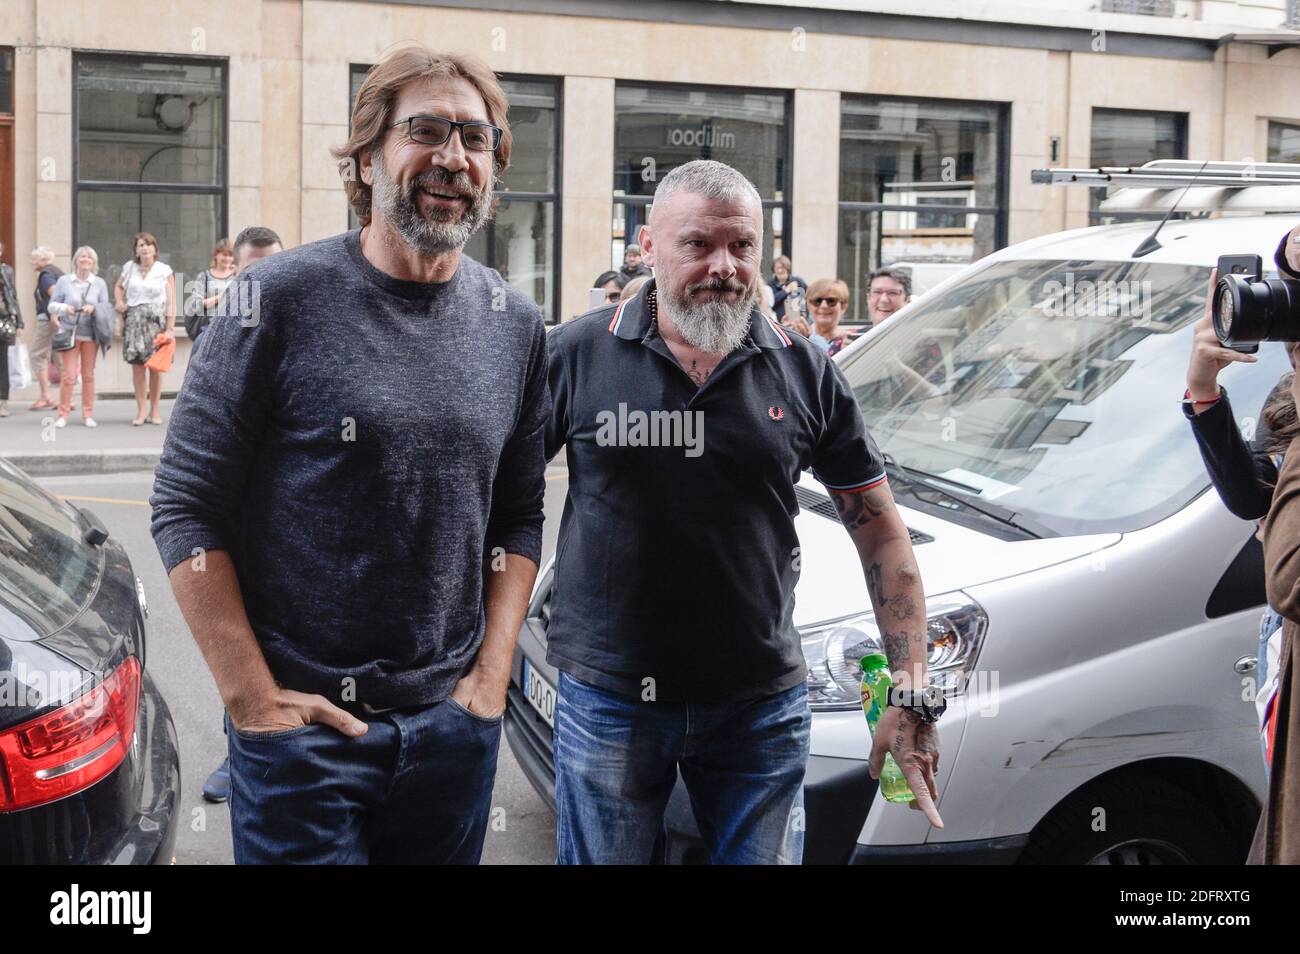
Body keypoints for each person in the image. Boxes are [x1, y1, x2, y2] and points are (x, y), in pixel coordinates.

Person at [151, 45, 548, 865]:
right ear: (368, 158)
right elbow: (186, 506)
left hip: (452, 734)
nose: (452, 157)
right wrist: (250, 700)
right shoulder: (275, 301)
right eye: (426, 131)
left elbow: (519, 514)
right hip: (302, 742)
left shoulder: (513, 322)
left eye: (476, 138)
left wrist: (491, 679)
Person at [545, 159, 942, 865]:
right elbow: (498, 506)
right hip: (610, 701)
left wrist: (909, 689)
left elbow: (880, 530)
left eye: (742, 247)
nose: (725, 266)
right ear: (646, 246)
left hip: (758, 706)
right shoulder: (577, 352)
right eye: (698, 244)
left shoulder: (803, 365)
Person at [197, 226, 287, 806]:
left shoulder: (299, 323)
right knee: (239, 647)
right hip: (237, 525)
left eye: (268, 271)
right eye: (248, 272)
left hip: (285, 530)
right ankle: (241, 754)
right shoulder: (217, 330)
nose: (257, 283)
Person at [46, 246, 112, 428]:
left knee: (88, 375)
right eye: (82, 256)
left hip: (91, 334)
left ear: (94, 262)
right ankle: (63, 414)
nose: (86, 259)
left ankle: (88, 414)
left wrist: (95, 308)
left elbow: (106, 307)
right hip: (70, 333)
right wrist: (64, 308)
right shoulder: (64, 281)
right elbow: (52, 306)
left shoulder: (99, 283)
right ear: (75, 260)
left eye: (90, 257)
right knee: (68, 375)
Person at [114, 232, 176, 427]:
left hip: (156, 323)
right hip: (134, 322)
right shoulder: (129, 267)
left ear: (155, 249)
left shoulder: (164, 269)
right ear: (136, 250)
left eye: (148, 245)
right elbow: (118, 287)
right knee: (138, 368)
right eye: (141, 245)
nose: (144, 248)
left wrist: (170, 328)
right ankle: (141, 410)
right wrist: (119, 301)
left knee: (156, 368)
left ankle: (155, 410)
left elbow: (173, 300)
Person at [28, 246, 63, 411]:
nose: (32, 262)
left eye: (34, 258)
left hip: (48, 320)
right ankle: (66, 398)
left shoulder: (46, 275)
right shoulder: (57, 271)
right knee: (60, 356)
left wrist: (53, 314)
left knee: (36, 354)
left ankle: (46, 395)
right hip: (60, 319)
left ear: (44, 260)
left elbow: (55, 293)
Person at [184, 239, 238, 341]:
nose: (227, 258)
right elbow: (195, 304)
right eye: (224, 255)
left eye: (230, 255)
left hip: (232, 328)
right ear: (216, 255)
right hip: (208, 328)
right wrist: (220, 297)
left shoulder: (237, 276)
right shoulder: (204, 276)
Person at [0, 242, 23, 419]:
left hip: (4, 320)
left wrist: (19, 323)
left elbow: (13, 296)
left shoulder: (6, 270)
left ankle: (2, 402)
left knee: (2, 363)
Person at [807, 277, 857, 357]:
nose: (823, 306)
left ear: (843, 306)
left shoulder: (851, 340)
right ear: (809, 306)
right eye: (817, 301)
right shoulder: (801, 339)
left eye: (831, 301)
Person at [768, 255, 806, 326]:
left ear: (788, 268)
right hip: (778, 324)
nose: (780, 270)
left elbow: (805, 299)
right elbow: (771, 302)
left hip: (798, 322)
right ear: (774, 269)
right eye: (777, 268)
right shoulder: (770, 285)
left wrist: (804, 315)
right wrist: (785, 291)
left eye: (782, 268)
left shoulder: (798, 281)